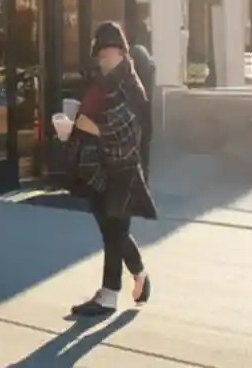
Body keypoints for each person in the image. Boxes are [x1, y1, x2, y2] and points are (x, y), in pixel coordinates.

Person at [68, 21, 158, 317]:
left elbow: (124, 133)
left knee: (114, 232)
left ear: (121, 52)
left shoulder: (128, 85)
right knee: (113, 231)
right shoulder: (108, 83)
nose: (102, 60)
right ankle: (140, 277)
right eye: (99, 56)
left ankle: (109, 295)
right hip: (104, 169)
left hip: (123, 171)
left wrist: (84, 125)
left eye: (106, 54)